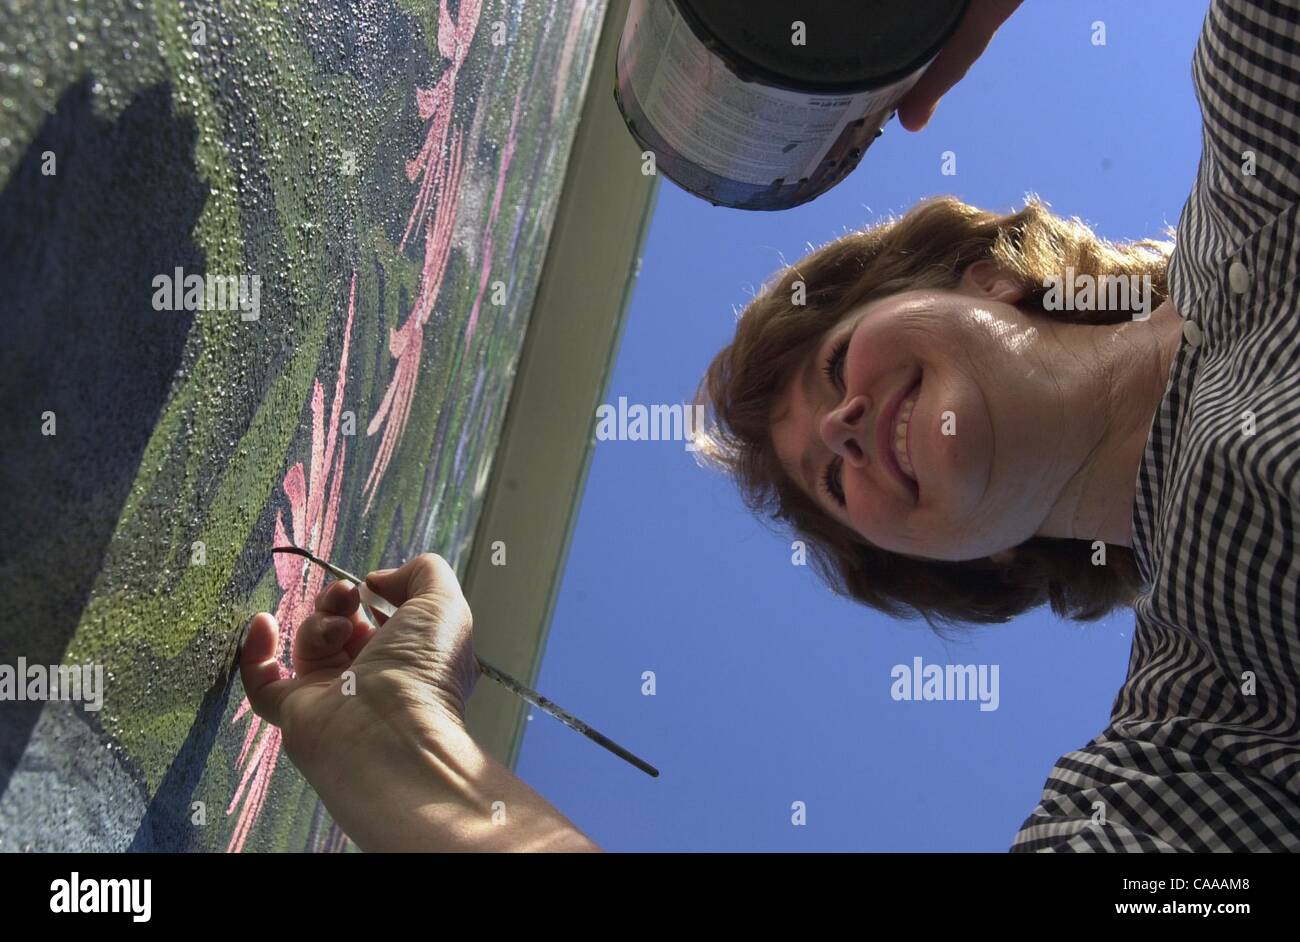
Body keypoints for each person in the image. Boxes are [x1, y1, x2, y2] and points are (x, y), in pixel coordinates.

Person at [241, 0, 1300, 851]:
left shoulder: (1268, 155)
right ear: (967, 561)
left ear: (984, 281)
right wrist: (405, 756)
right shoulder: (1210, 742)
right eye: (836, 486)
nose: (844, 427)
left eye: (839, 362)